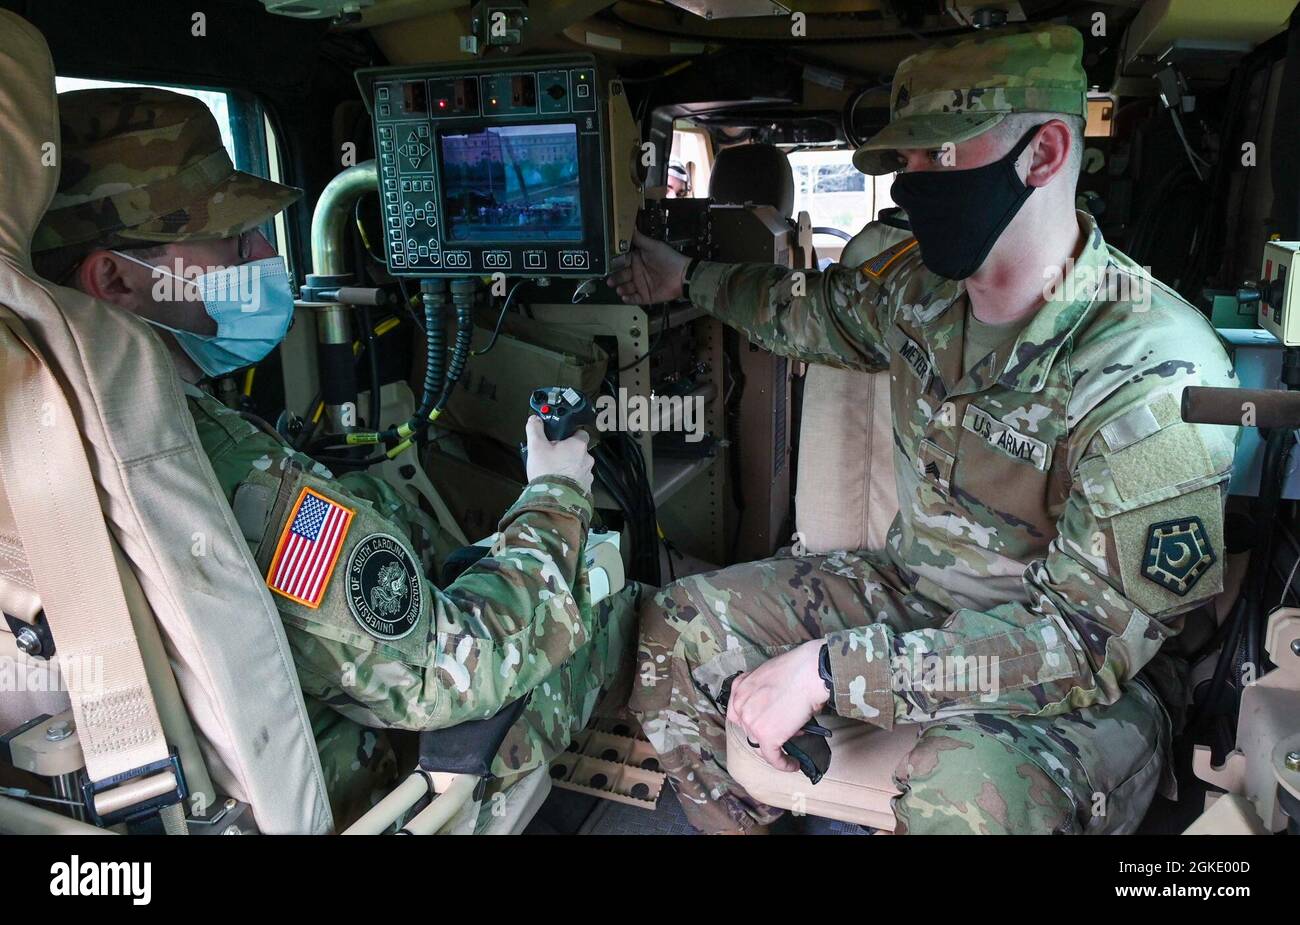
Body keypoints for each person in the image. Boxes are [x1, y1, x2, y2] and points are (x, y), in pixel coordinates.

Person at [608, 24, 1239, 834]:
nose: (909, 187)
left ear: (1044, 154)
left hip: (1078, 672)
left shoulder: (1156, 369)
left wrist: (835, 670)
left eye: (936, 156)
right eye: (903, 160)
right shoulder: (918, 292)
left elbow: (1086, 643)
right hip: (912, 592)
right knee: (672, 628)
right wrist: (687, 278)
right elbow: (802, 311)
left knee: (966, 792)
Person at [33, 87, 640, 828]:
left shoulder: (54, 428)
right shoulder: (203, 464)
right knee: (630, 614)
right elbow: (453, 673)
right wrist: (555, 494)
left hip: (230, 762)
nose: (265, 257)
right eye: (235, 241)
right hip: (381, 766)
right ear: (116, 279)